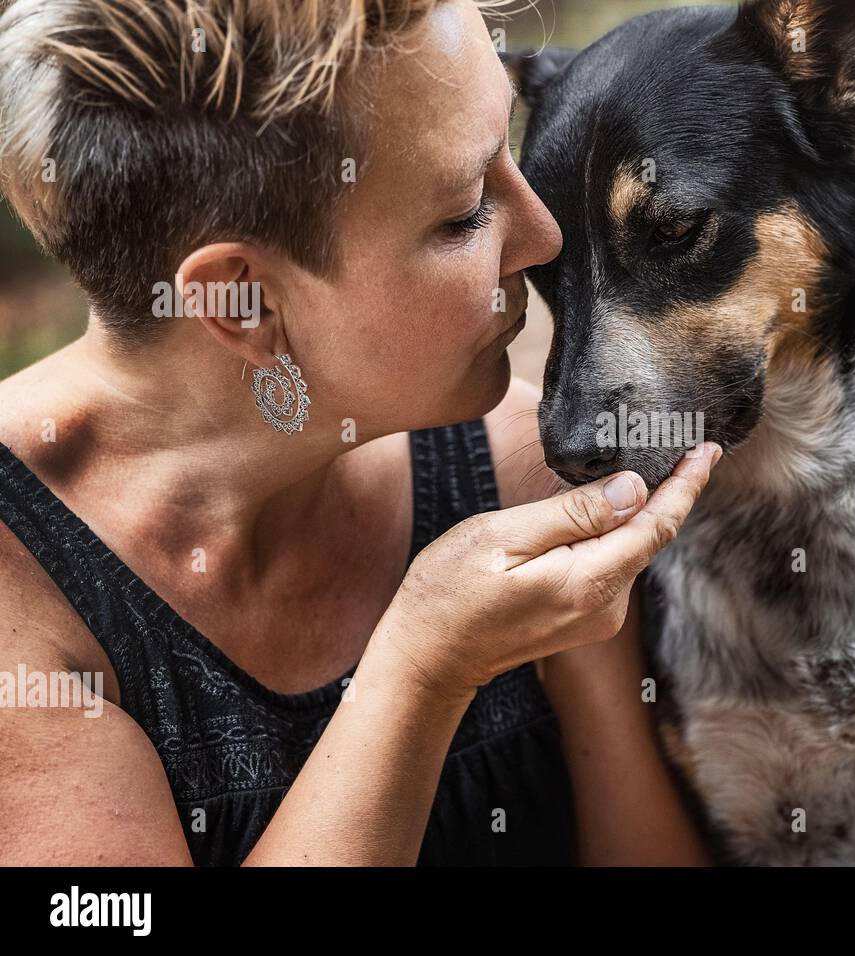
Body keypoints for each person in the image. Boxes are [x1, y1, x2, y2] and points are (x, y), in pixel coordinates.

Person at [0, 0, 718, 865]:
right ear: (246, 299)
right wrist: (422, 672)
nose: (543, 234)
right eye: (463, 215)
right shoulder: (23, 605)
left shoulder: (517, 467)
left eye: (510, 152)